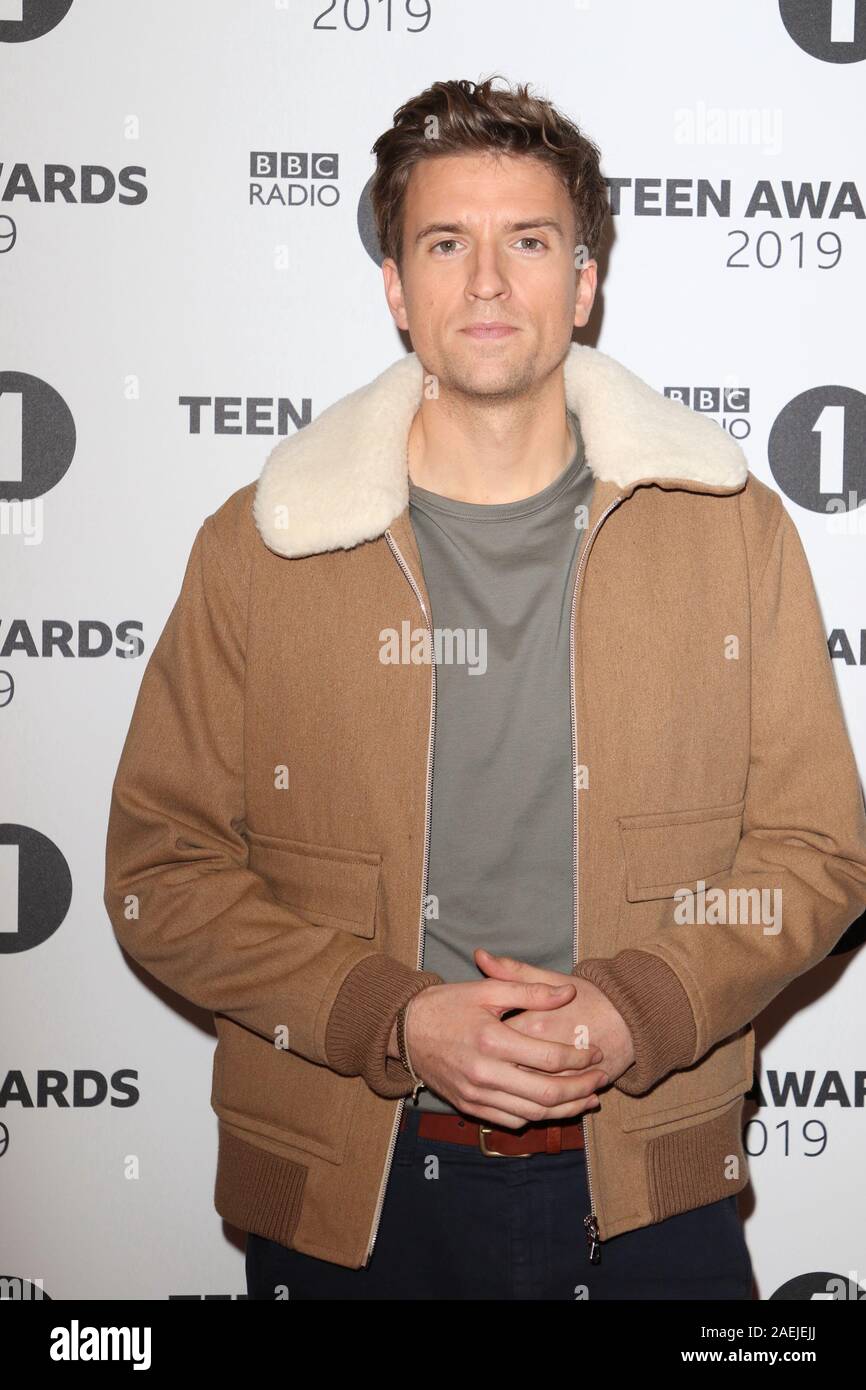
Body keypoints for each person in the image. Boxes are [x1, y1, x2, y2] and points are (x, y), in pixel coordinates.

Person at [104, 76, 866, 1300]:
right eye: (445, 244)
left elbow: (817, 853)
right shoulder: (261, 543)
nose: (490, 282)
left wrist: (635, 1005)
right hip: (356, 1181)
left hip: (647, 1176)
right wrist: (394, 1018)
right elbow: (162, 873)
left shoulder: (731, 532)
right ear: (396, 288)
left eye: (528, 242)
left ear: (583, 280)